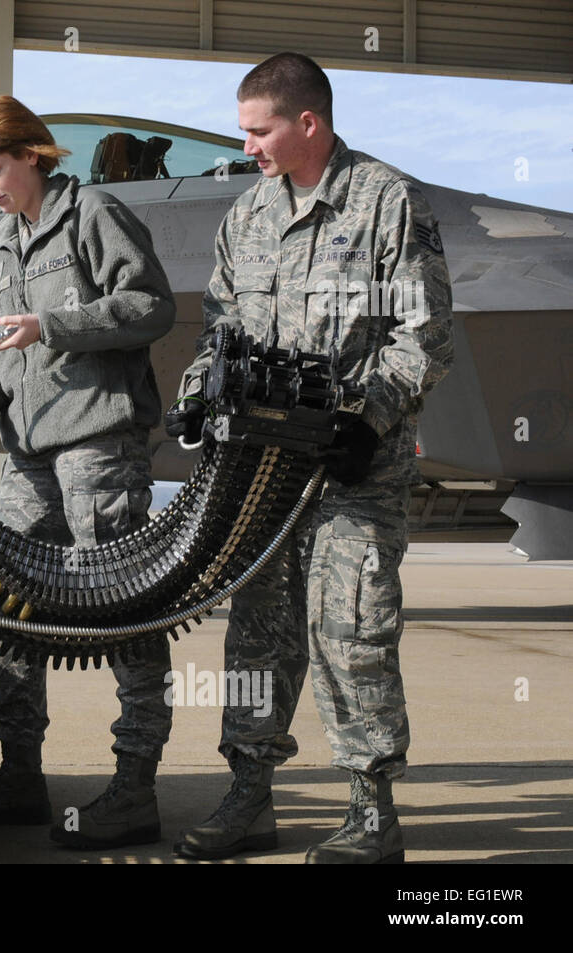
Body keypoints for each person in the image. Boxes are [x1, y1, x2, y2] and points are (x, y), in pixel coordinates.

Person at [166, 52, 453, 863]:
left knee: (349, 631)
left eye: (258, 130)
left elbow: (423, 336)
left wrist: (366, 418)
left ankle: (371, 812)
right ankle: (250, 797)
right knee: (256, 635)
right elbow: (220, 330)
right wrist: (197, 391)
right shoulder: (246, 217)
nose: (247, 145)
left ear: (308, 124)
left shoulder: (387, 201)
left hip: (354, 472)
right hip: (264, 473)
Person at [0, 96, 177, 848]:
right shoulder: (0, 246)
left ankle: (134, 787)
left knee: (123, 609)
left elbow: (152, 305)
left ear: (32, 154)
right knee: (4, 604)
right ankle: (19, 774)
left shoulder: (94, 213)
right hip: (29, 455)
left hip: (101, 444)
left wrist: (57, 325)